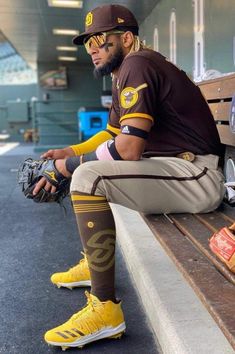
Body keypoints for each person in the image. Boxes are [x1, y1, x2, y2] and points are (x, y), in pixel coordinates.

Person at [34, 4, 225, 350]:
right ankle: (95, 265)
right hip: (180, 168)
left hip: (198, 175)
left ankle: (106, 310)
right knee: (87, 171)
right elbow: (111, 136)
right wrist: (71, 153)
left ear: (125, 38)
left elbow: (129, 149)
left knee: (87, 178)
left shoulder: (137, 64)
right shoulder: (128, 68)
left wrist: (69, 167)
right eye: (88, 42)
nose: (92, 48)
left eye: (100, 40)